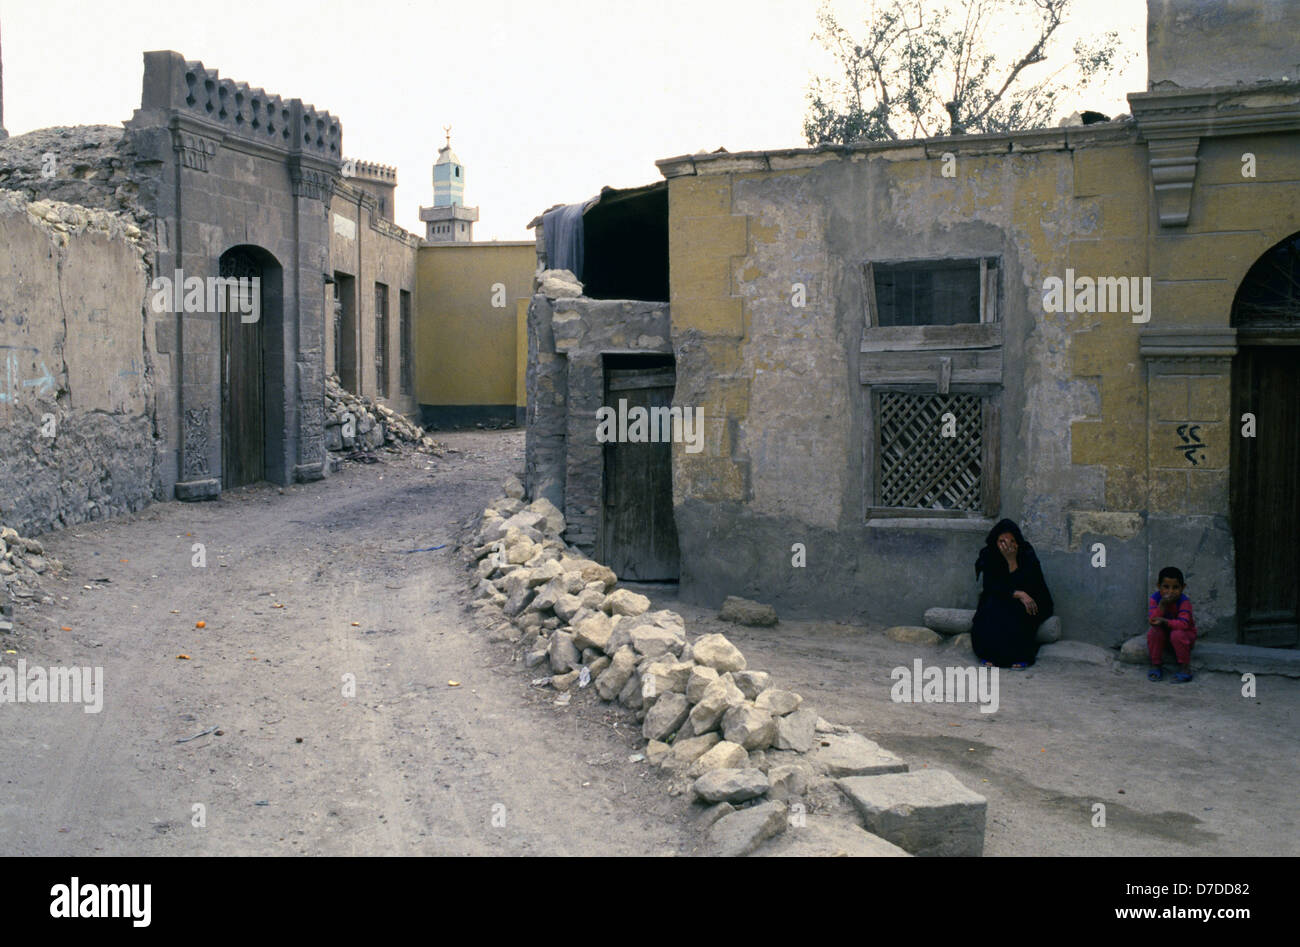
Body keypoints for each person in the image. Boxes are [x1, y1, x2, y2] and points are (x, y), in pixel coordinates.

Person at [971, 519, 1054, 668]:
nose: (1007, 546)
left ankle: (1020, 656)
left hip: (1032, 599)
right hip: (1001, 597)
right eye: (1002, 541)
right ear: (995, 541)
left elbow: (1031, 585)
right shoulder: (989, 554)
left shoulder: (1026, 553)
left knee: (1018, 613)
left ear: (1018, 541)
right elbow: (991, 586)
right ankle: (989, 654)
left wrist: (1012, 561)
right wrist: (1017, 594)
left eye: (1011, 541)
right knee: (991, 610)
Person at [1147, 566, 1197, 682]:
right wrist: (1162, 606)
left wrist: (1165, 621)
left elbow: (1184, 625)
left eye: (1175, 588)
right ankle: (1155, 665)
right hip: (1165, 635)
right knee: (1154, 633)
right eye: (1166, 587)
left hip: (1184, 636)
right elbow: (1153, 621)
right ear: (1158, 586)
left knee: (1177, 634)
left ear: (1183, 588)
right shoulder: (1155, 599)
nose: (1170, 592)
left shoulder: (1184, 602)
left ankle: (1185, 668)